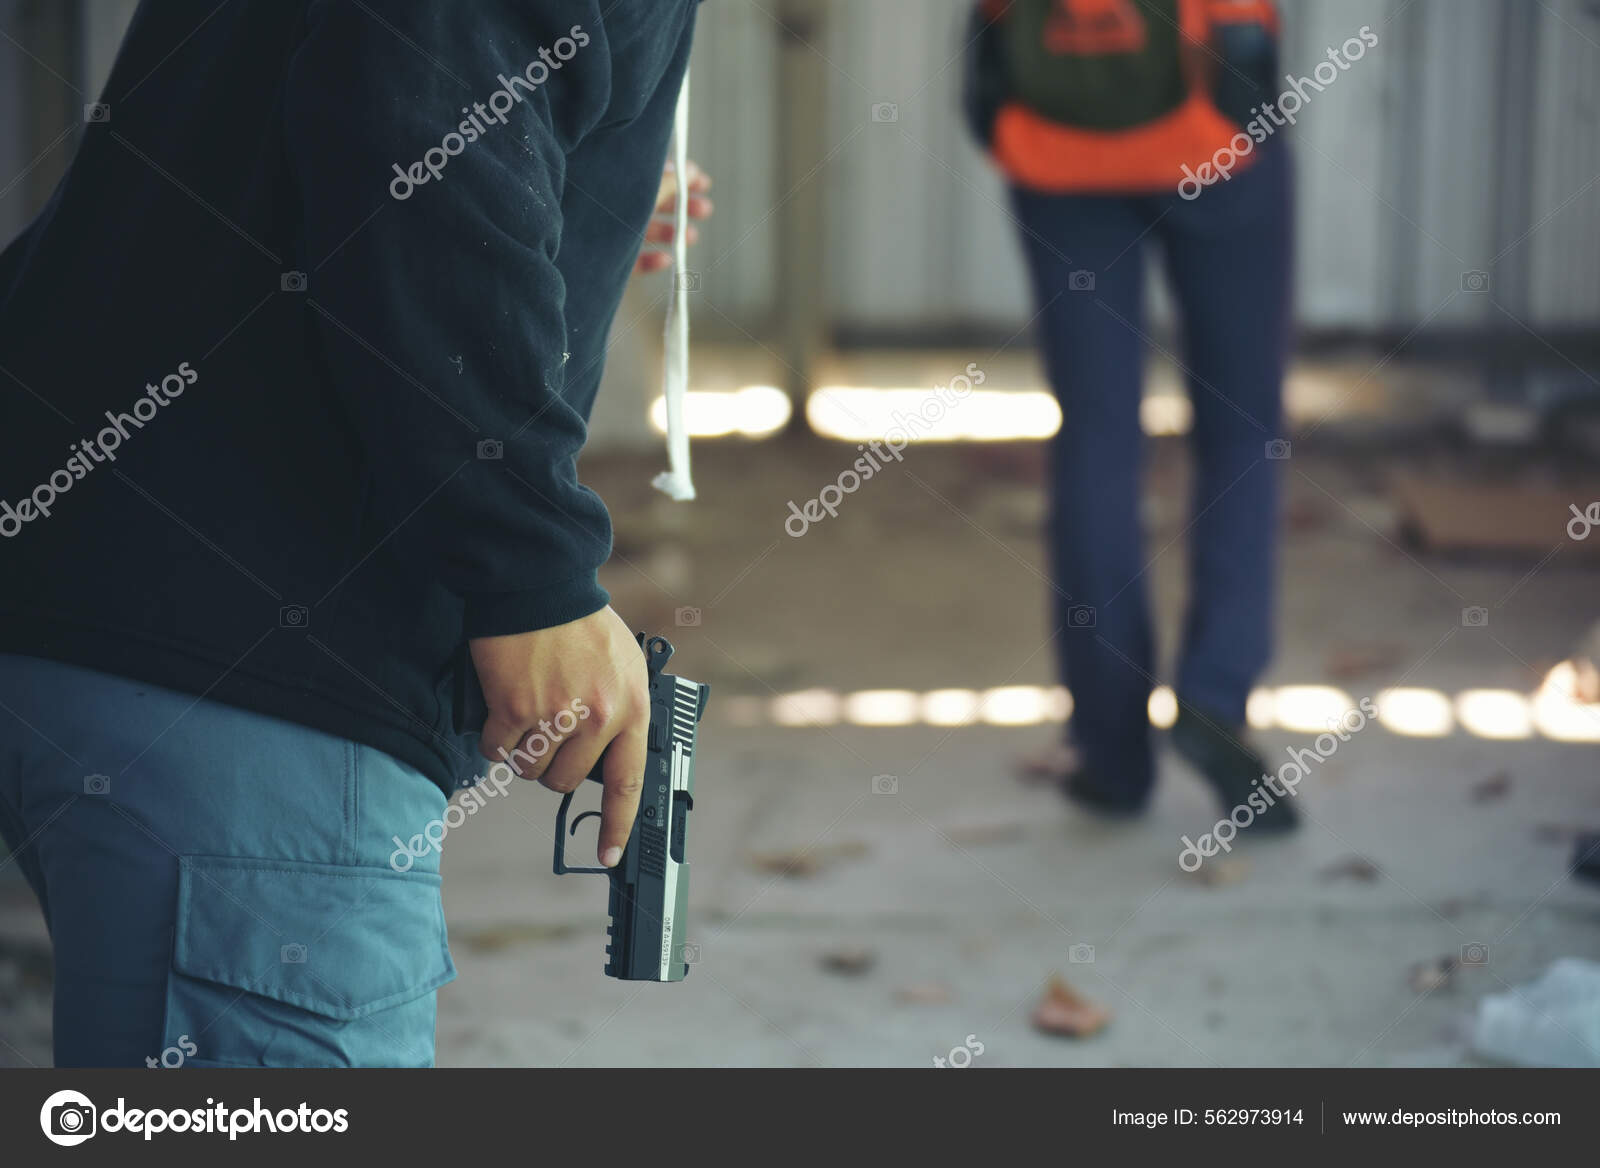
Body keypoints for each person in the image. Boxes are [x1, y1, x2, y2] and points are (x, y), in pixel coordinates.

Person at [0, 0, 705, 1067]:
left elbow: (354, 113)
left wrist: (558, 184)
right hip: (256, 667)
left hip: (105, 595)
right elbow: (422, 152)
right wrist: (534, 573)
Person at [965, 0, 1298, 827]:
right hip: (1215, 120)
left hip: (1055, 136)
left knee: (1096, 436)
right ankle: (1215, 694)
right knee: (1242, 431)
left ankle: (1111, 751)